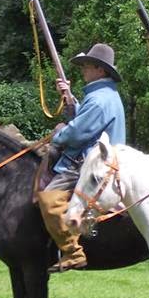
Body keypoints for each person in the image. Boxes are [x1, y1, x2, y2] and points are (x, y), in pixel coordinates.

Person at [38, 43, 126, 273]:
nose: (83, 70)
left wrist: (57, 137)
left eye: (87, 66)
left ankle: (72, 252)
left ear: (100, 70)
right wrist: (71, 100)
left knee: (49, 201)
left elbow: (77, 133)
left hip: (89, 162)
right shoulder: (102, 96)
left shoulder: (99, 100)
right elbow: (86, 120)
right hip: (91, 158)